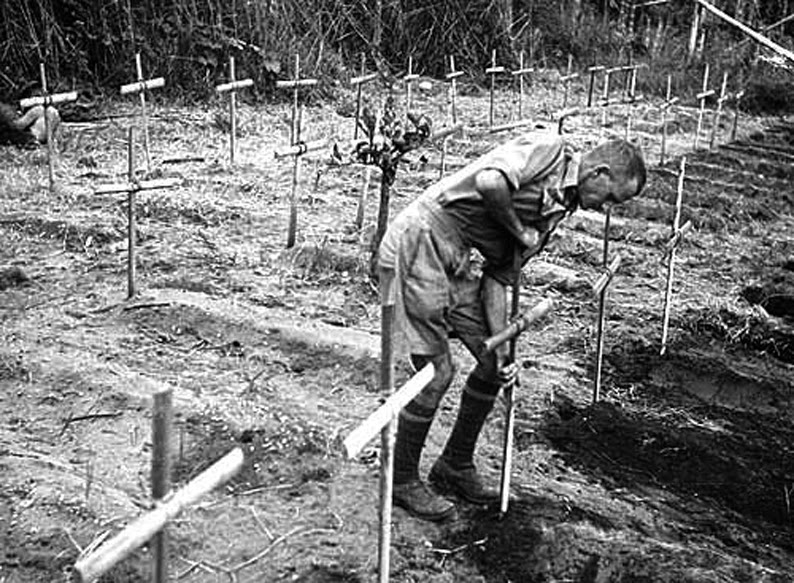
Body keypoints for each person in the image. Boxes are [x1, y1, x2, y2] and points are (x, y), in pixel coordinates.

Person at [377, 131, 647, 521]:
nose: (605, 208)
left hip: (454, 261)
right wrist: (519, 230)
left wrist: (502, 348)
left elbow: (498, 280)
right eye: (610, 198)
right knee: (437, 373)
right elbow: (490, 182)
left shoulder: (555, 215)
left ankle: (454, 464)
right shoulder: (550, 152)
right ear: (599, 173)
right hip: (418, 241)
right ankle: (401, 480)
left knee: (493, 366)